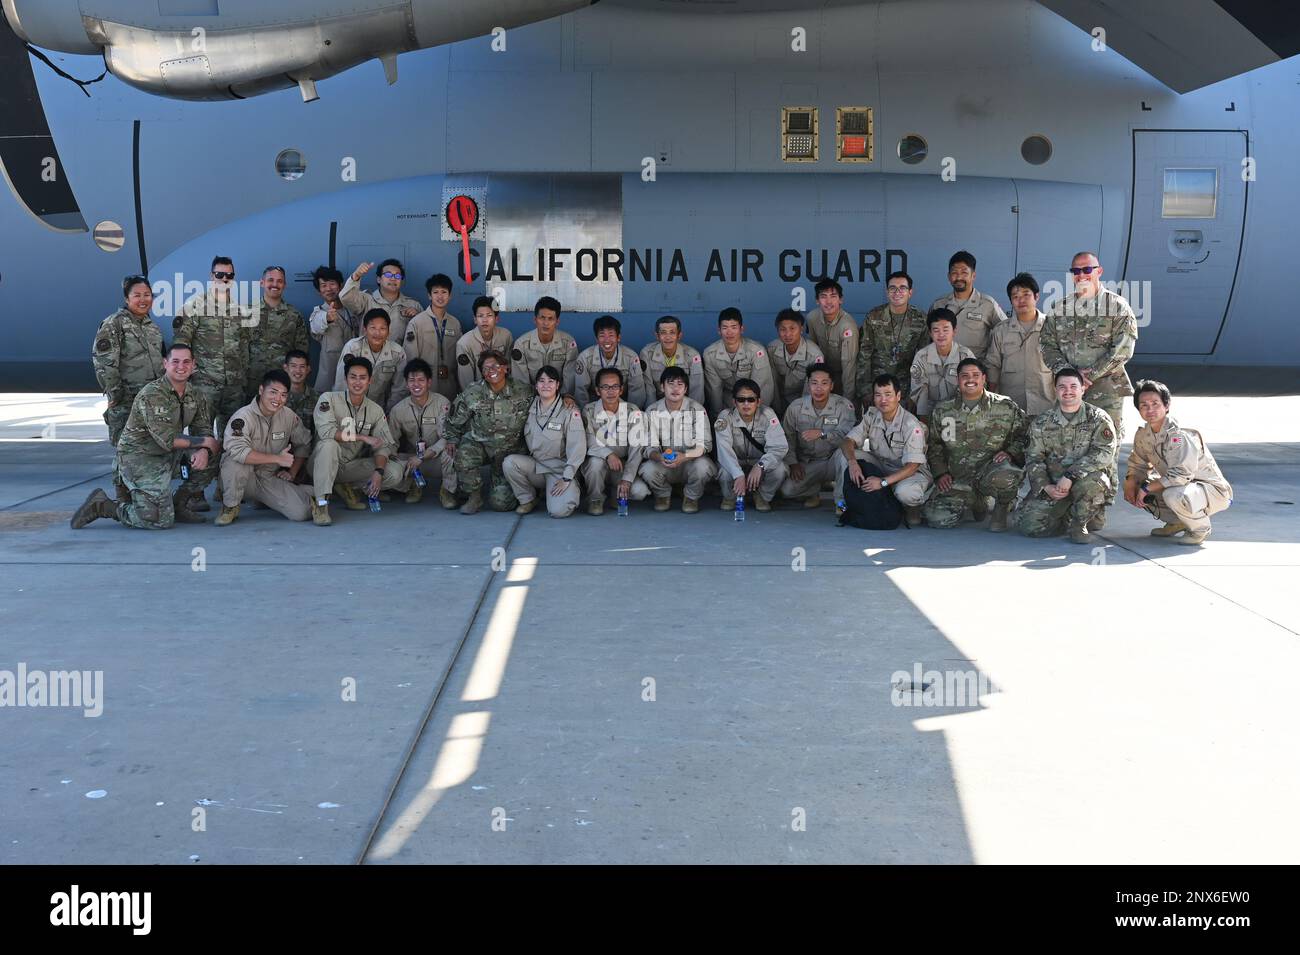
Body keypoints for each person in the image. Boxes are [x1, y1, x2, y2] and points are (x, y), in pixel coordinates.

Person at [72, 343, 218, 530]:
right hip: (140, 458)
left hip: (170, 454)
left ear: (193, 365)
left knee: (217, 455)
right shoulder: (152, 394)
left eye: (186, 362)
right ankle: (105, 506)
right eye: (175, 361)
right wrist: (206, 442)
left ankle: (179, 504)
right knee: (158, 520)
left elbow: (202, 427)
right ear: (165, 363)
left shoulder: (195, 394)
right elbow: (166, 440)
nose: (181, 366)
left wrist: (204, 449)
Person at [1040, 250, 1138, 509]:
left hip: (1106, 390)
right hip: (1069, 391)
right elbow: (1047, 345)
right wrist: (1070, 376)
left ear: (1099, 271)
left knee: (1107, 445)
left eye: (1087, 269)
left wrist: (1089, 376)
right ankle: (1068, 501)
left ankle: (1099, 506)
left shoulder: (1118, 307)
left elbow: (1123, 349)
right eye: (1076, 271)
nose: (1081, 275)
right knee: (1067, 445)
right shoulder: (1059, 308)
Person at [924, 358, 1029, 532]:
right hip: (958, 478)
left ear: (984, 378)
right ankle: (976, 501)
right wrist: (940, 473)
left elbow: (1025, 435)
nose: (970, 379)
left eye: (975, 375)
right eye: (964, 376)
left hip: (991, 473)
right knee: (937, 519)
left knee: (1008, 476)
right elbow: (934, 445)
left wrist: (1010, 452)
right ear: (958, 380)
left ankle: (1002, 507)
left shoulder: (1005, 406)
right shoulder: (943, 410)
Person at [1124, 379, 1232, 546]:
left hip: (1210, 490)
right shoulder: (1144, 435)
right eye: (1144, 405)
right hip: (1183, 487)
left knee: (1172, 494)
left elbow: (1181, 475)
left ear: (1166, 406)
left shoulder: (1179, 435)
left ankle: (1199, 529)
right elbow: (1138, 464)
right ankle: (1177, 522)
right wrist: (1131, 483)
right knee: (1139, 487)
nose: (1150, 409)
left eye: (1155, 403)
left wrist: (1147, 488)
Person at [1017, 367, 1118, 544]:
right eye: (1062, 387)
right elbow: (1034, 458)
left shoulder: (1098, 418)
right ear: (1055, 390)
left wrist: (1070, 475)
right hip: (1056, 487)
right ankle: (1070, 514)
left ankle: (1081, 522)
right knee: (1029, 527)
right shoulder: (1042, 422)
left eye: (1073, 386)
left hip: (1085, 483)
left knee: (1095, 482)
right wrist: (1046, 486)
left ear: (1083, 389)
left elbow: (1104, 453)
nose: (1068, 391)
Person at [92, 275, 165, 501]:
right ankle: (121, 498)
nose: (143, 300)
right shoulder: (114, 324)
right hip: (126, 401)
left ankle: (139, 496)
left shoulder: (153, 328)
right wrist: (115, 394)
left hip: (149, 402)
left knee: (145, 450)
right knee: (125, 451)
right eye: (137, 295)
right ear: (126, 298)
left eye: (147, 295)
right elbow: (103, 361)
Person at [309, 355, 405, 525]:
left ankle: (347, 486)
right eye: (353, 377)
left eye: (363, 378)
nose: (357, 382)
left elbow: (382, 446)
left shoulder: (375, 410)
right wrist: (361, 437)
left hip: (349, 467)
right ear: (345, 379)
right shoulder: (328, 399)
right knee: (329, 444)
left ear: (370, 381)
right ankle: (321, 503)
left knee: (394, 472)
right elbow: (327, 432)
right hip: (321, 464)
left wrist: (379, 472)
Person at [214, 369, 314, 525]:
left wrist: (292, 472)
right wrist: (277, 459)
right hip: (242, 476)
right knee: (235, 463)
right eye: (273, 392)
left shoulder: (288, 416)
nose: (278, 399)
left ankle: (300, 493)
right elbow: (239, 452)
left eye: (283, 394)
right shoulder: (243, 417)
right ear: (261, 390)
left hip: (268, 478)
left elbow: (304, 443)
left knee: (300, 513)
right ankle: (230, 505)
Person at [833, 374, 932, 526]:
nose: (883, 400)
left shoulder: (911, 425)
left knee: (906, 493)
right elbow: (848, 441)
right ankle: (843, 504)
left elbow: (912, 466)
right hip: (882, 466)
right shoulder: (872, 415)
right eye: (878, 395)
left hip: (910, 473)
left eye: (888, 394)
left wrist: (883, 482)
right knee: (844, 455)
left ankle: (912, 507)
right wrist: (853, 463)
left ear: (898, 396)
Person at [442, 349, 533, 514]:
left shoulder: (523, 391)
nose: (491, 371)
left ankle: (526, 491)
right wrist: (452, 439)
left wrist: (567, 397)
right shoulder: (473, 392)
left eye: (496, 366)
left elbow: (545, 403)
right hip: (481, 445)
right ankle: (474, 496)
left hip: (510, 452)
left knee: (501, 504)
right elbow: (454, 420)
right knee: (463, 452)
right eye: (486, 368)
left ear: (505, 368)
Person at [172, 255, 249, 437]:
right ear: (211, 276)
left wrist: (242, 379)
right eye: (219, 274)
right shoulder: (193, 307)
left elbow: (244, 348)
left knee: (234, 439)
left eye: (229, 275)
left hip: (233, 388)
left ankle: (227, 467)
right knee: (202, 438)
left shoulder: (239, 311)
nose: (224, 279)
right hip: (204, 386)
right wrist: (190, 377)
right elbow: (181, 345)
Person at [503, 366, 587, 518]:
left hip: (560, 470)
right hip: (537, 467)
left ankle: (571, 488)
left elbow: (578, 447)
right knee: (509, 463)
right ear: (535, 386)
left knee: (558, 512)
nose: (546, 385)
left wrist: (567, 477)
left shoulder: (569, 410)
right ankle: (528, 499)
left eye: (550, 381)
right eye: (541, 381)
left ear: (558, 385)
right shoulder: (528, 405)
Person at [639, 366, 717, 513]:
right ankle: (662, 495)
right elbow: (648, 447)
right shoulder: (652, 411)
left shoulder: (697, 409)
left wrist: (685, 456)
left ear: (686, 389)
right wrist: (659, 456)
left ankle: (691, 497)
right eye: (670, 383)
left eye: (680, 384)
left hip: (689, 463)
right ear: (662, 387)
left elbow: (705, 444)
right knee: (647, 469)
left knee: (704, 467)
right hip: (664, 464)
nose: (675, 388)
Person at [779, 365, 856, 508]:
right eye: (814, 383)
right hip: (809, 462)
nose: (818, 388)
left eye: (824, 383)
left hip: (834, 460)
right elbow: (787, 438)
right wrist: (793, 463)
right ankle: (813, 492)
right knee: (787, 491)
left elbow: (848, 438)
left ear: (832, 385)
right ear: (808, 385)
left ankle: (841, 502)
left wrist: (822, 434)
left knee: (846, 456)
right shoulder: (796, 407)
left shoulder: (844, 406)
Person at [387, 359, 457, 508]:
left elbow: (447, 438)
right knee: (389, 461)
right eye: (412, 380)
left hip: (436, 459)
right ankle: (412, 485)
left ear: (429, 382)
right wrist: (392, 458)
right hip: (413, 461)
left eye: (421, 380)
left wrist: (422, 456)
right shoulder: (398, 410)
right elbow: (391, 442)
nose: (416, 384)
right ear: (406, 383)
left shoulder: (442, 403)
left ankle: (447, 491)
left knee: (452, 452)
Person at [857, 270, 929, 412]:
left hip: (906, 387)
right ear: (887, 292)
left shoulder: (921, 319)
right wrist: (865, 390)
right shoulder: (874, 316)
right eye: (892, 288)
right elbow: (864, 355)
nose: (897, 292)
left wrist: (916, 394)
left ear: (910, 292)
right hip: (878, 387)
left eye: (903, 288)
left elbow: (923, 359)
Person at [581, 367, 650, 515]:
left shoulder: (632, 411)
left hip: (620, 466)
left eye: (615, 386)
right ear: (598, 391)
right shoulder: (589, 410)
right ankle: (595, 499)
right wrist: (608, 454)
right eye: (605, 387)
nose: (610, 391)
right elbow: (588, 438)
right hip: (598, 463)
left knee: (640, 492)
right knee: (595, 463)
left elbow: (636, 450)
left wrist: (626, 479)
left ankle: (615, 493)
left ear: (621, 390)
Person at [714, 379, 789, 511]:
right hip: (736, 462)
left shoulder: (768, 415)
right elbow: (723, 450)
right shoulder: (725, 417)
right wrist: (738, 474)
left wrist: (761, 465)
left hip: (758, 462)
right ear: (734, 402)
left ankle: (762, 496)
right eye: (741, 400)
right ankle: (730, 496)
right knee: (725, 470)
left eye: (751, 399)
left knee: (780, 469)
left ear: (758, 401)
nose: (746, 404)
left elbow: (780, 447)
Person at [985, 272, 1054, 414]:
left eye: (1026, 294)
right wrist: (991, 400)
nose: (1021, 300)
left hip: (1046, 406)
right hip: (1010, 407)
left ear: (1036, 296)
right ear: (1011, 301)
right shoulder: (1001, 331)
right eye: (1015, 297)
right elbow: (993, 365)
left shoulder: (1052, 327)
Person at [929, 250, 1007, 361]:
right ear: (949, 276)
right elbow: (929, 341)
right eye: (954, 273)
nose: (959, 277)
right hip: (944, 370)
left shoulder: (987, 304)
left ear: (973, 276)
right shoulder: (939, 304)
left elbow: (1005, 332)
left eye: (964, 273)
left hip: (974, 373)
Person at [245, 266, 308, 397]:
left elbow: (301, 352)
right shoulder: (247, 313)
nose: (275, 284)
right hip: (251, 384)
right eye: (270, 280)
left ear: (284, 285)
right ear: (262, 283)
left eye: (279, 281)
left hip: (282, 384)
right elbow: (238, 349)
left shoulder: (294, 315)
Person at [702, 307, 775, 418]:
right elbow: (714, 390)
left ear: (742, 329)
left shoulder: (756, 351)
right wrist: (719, 417)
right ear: (719, 330)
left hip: (752, 403)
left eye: (734, 327)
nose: (729, 332)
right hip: (728, 403)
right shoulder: (710, 354)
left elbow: (762, 387)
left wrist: (757, 415)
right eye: (725, 327)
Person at [402, 273, 462, 402]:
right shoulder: (417, 322)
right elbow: (410, 358)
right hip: (426, 384)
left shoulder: (455, 323)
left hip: (449, 385)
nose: (440, 296)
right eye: (435, 292)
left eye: (444, 292)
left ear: (450, 295)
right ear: (429, 295)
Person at [910, 308, 976, 419]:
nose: (941, 334)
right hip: (930, 413)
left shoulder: (965, 356)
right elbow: (920, 391)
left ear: (954, 331)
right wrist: (924, 420)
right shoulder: (921, 357)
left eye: (946, 330)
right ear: (930, 333)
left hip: (959, 414)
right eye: (936, 330)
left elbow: (973, 388)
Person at [336, 308, 408, 409]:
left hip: (379, 409)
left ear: (388, 331)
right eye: (373, 328)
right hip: (351, 408)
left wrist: (390, 412)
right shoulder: (353, 348)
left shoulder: (397, 353)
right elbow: (341, 384)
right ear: (365, 330)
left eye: (382, 328)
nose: (377, 333)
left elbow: (399, 389)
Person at [574, 315, 651, 408]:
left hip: (623, 405)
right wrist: (586, 413)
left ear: (618, 338)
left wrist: (631, 413)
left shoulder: (631, 357)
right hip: (594, 406)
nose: (607, 340)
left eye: (611, 335)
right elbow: (580, 390)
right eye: (602, 336)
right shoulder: (585, 358)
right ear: (596, 339)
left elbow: (637, 390)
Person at [339, 258, 422, 344]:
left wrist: (417, 317)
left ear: (401, 281)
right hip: (369, 355)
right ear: (378, 279)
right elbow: (345, 297)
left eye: (397, 276)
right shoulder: (366, 300)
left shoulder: (413, 305)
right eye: (388, 275)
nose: (393, 278)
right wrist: (356, 275)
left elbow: (423, 334)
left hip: (400, 355)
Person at [511, 296, 578, 397]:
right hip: (531, 398)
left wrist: (562, 399)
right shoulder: (521, 344)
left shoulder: (568, 343)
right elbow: (521, 383)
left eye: (551, 319)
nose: (546, 323)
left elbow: (569, 379)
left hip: (560, 398)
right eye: (542, 318)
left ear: (557, 321)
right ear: (535, 319)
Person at [803, 278, 858, 397]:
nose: (828, 301)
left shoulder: (847, 327)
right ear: (817, 301)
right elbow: (812, 352)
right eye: (823, 296)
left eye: (833, 296)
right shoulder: (812, 318)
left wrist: (848, 399)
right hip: (821, 376)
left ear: (840, 300)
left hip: (842, 376)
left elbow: (849, 367)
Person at [307, 266, 357, 393]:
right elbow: (315, 326)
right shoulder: (318, 312)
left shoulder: (353, 309)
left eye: (332, 284)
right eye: (323, 285)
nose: (328, 289)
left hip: (355, 372)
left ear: (340, 285)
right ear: (319, 291)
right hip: (330, 374)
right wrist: (327, 318)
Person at [767, 309, 826, 415]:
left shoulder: (814, 355)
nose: (788, 334)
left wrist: (800, 413)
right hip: (779, 399)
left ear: (801, 329)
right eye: (783, 329)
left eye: (792, 328)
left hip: (802, 401)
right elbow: (772, 382)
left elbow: (811, 390)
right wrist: (776, 409)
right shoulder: (772, 348)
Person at [455, 295, 515, 392]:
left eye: (489, 315)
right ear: (475, 319)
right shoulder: (464, 343)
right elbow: (466, 381)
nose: (485, 320)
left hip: (502, 391)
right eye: (480, 316)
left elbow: (508, 369)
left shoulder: (506, 336)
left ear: (496, 319)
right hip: (478, 394)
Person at [640, 315, 704, 405]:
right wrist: (653, 413)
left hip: (684, 404)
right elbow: (649, 388)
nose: (668, 337)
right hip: (657, 404)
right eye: (663, 333)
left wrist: (691, 413)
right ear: (657, 336)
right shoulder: (647, 353)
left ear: (679, 335)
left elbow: (697, 390)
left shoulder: (692, 356)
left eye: (672, 332)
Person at [282, 349, 318, 441]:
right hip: (278, 446)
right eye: (293, 366)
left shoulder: (317, 398)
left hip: (306, 447)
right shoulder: (275, 396)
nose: (298, 371)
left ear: (308, 369)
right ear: (286, 368)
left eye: (302, 366)